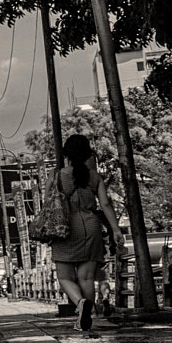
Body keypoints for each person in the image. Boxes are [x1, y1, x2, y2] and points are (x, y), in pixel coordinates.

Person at [49, 134, 113, 331]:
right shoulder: (94, 176)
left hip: (64, 228)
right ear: (87, 154)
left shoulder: (57, 176)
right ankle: (90, 315)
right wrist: (116, 230)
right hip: (91, 227)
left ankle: (80, 304)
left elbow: (48, 204)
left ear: (66, 154)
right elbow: (105, 204)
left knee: (65, 277)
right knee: (86, 278)